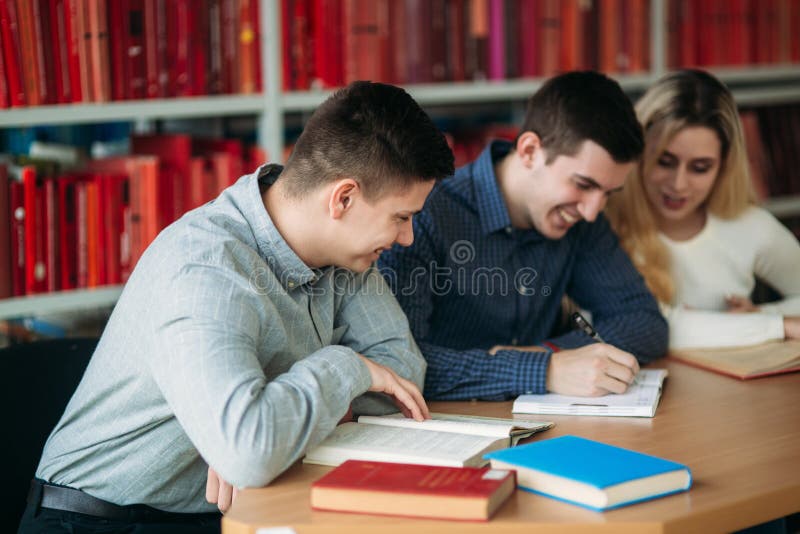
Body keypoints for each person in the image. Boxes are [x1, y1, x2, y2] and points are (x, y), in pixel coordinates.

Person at [19, 81, 455, 533]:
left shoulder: (345, 254)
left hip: (229, 508)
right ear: (342, 198)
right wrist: (345, 369)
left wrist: (271, 426)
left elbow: (402, 374)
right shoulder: (205, 266)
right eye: (401, 217)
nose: (407, 239)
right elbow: (250, 450)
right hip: (98, 519)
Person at [379, 71, 668, 401]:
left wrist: (548, 353)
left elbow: (645, 322)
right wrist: (545, 370)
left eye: (608, 193)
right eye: (583, 185)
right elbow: (399, 363)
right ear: (530, 150)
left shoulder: (581, 217)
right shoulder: (423, 215)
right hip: (438, 432)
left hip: (539, 425)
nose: (592, 211)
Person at [606, 69, 800, 349]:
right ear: (639, 152)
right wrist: (771, 326)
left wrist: (760, 315)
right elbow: (649, 327)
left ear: (723, 167)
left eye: (700, 168)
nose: (678, 184)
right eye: (664, 161)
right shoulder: (601, 221)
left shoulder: (751, 225)